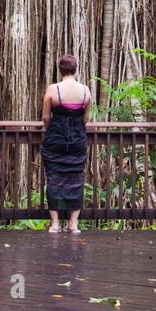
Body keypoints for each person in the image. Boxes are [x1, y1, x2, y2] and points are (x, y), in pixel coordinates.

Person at [41, 54, 91, 234]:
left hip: (55, 139)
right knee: (76, 179)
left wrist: (53, 129)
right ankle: (73, 224)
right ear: (76, 69)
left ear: (60, 70)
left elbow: (46, 117)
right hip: (77, 140)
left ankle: (55, 224)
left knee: (54, 179)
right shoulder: (85, 90)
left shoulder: (53, 89)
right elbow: (86, 118)